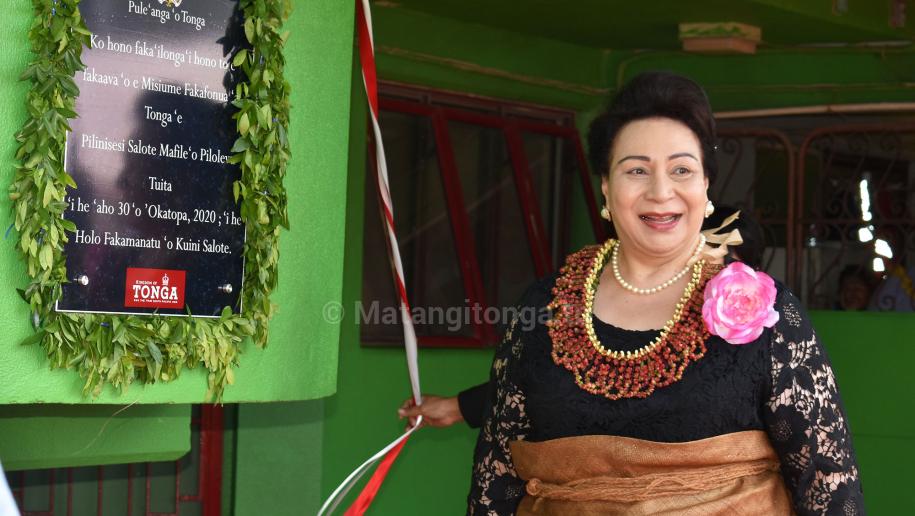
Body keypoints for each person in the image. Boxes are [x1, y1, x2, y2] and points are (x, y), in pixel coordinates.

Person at [459, 72, 862, 515]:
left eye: (681, 169)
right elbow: (496, 474)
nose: (660, 191)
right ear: (607, 189)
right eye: (636, 170)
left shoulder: (767, 311)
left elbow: (826, 484)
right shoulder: (545, 307)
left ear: (706, 186)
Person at [398, 205, 766, 430]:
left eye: (725, 260)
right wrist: (456, 407)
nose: (710, 273)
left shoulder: (766, 336)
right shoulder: (594, 306)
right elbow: (542, 382)